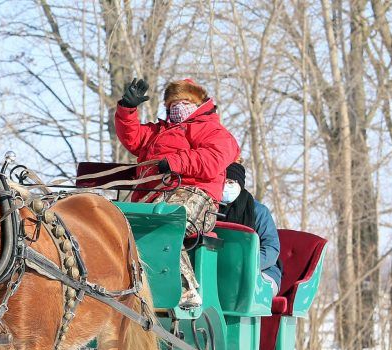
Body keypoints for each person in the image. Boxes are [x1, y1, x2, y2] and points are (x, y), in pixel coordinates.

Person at [115, 77, 240, 308]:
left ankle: (184, 289)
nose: (178, 108)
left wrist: (173, 162)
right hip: (154, 198)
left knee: (165, 222)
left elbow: (212, 160)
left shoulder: (214, 131)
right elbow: (132, 138)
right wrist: (127, 109)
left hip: (197, 197)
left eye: (184, 102)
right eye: (173, 104)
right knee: (120, 225)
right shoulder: (158, 132)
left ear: (198, 103)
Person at [220, 162, 282, 297]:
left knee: (246, 288)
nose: (225, 186)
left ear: (240, 185)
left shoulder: (258, 211)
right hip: (220, 270)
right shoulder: (210, 210)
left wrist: (247, 265)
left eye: (230, 182)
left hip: (261, 270)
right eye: (222, 181)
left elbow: (271, 249)